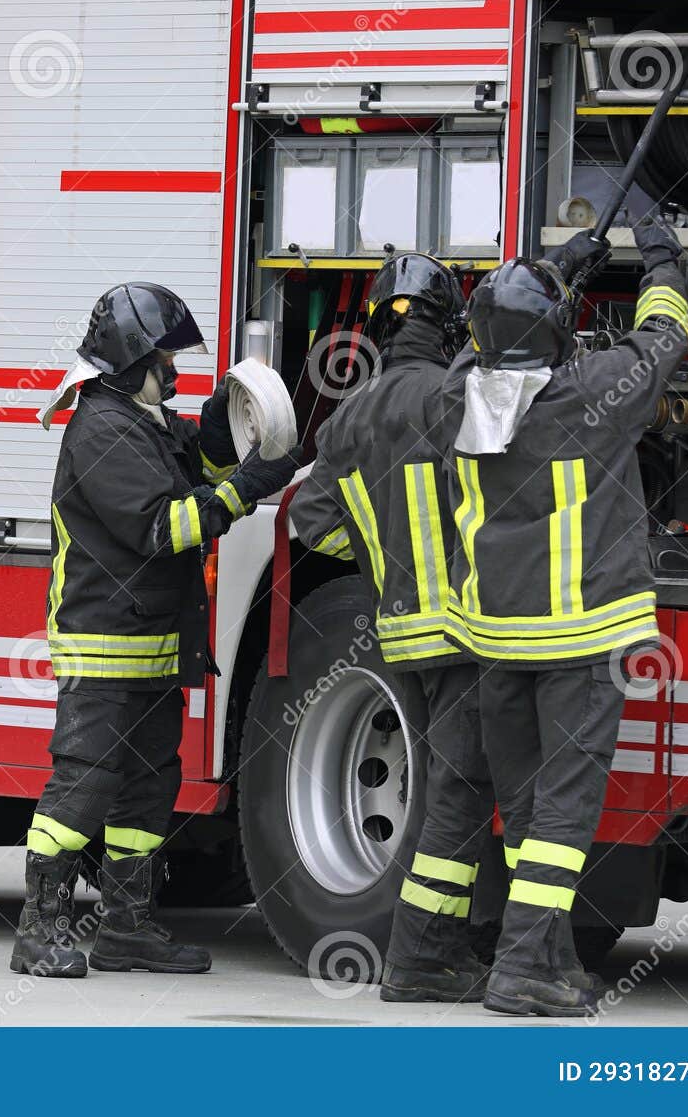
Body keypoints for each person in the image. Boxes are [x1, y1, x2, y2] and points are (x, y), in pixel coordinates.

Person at [14, 282, 301, 978]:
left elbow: (199, 466)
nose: (172, 370)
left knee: (147, 785)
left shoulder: (144, 421)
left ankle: (126, 927)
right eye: (164, 359)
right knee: (85, 783)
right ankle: (38, 930)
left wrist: (223, 424)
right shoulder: (102, 432)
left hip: (152, 645)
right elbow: (164, 525)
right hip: (104, 646)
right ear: (131, 359)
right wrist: (248, 488)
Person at [448, 219, 688, 1017]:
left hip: (497, 642)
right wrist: (664, 265)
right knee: (563, 809)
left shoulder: (460, 394)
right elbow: (662, 341)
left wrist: (553, 271)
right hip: (579, 640)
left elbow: (481, 342)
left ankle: (548, 958)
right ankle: (522, 967)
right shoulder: (589, 393)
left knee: (526, 810)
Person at [289, 253, 496, 1003]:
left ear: (378, 326)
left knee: (440, 785)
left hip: (399, 635)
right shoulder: (452, 397)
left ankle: (443, 947)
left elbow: (311, 524)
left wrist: (382, 552)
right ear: (448, 327)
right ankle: (421, 959)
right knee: (455, 793)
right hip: (463, 634)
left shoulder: (347, 418)